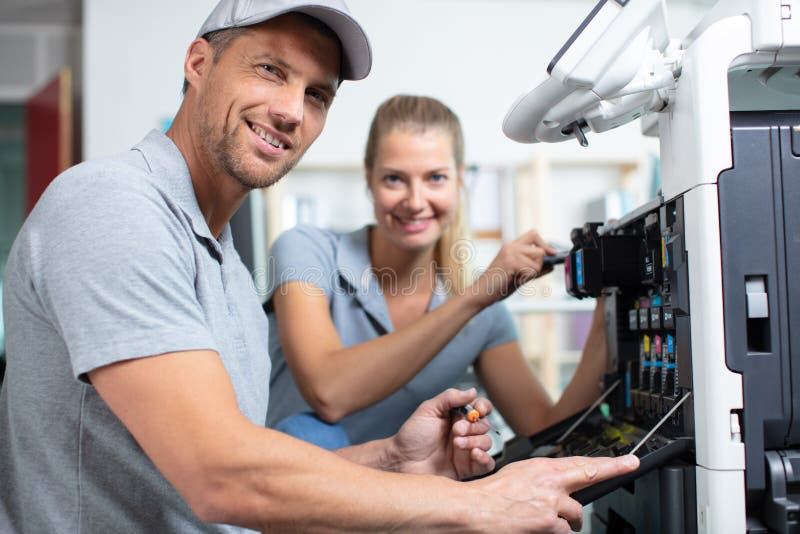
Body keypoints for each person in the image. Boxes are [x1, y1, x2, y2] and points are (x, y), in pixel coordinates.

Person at [0, 1, 638, 532]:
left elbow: (241, 462)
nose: (291, 111)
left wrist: (392, 459)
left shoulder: (221, 262)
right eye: (270, 70)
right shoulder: (114, 205)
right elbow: (225, 475)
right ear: (198, 63)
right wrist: (477, 505)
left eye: (316, 95)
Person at [265, 94, 610, 448]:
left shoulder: (483, 316)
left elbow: (546, 428)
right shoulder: (307, 251)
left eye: (435, 178)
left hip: (400, 503)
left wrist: (607, 311)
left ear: (459, 181)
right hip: (289, 498)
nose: (415, 202)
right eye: (394, 179)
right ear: (369, 178)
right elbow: (329, 392)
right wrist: (476, 296)